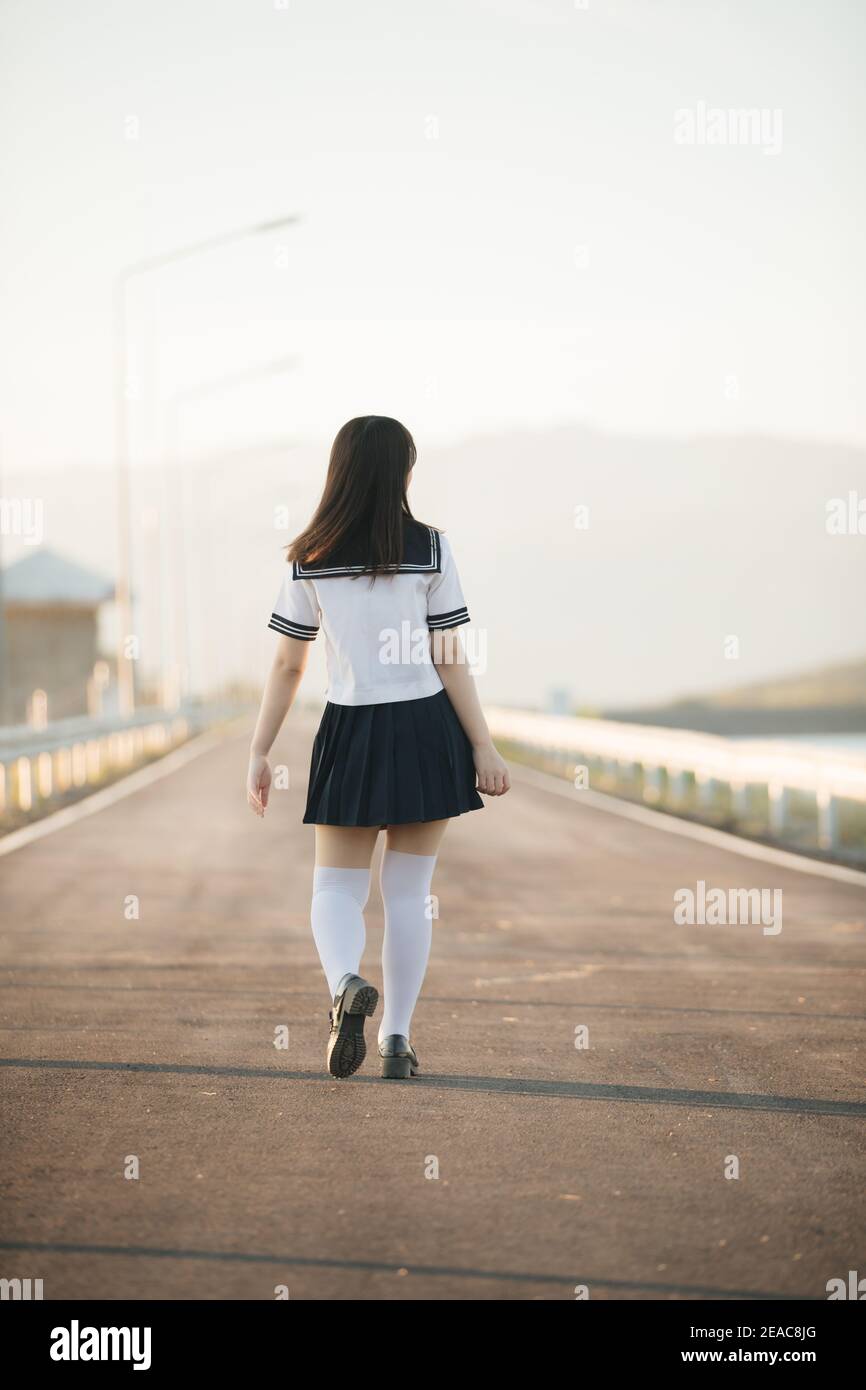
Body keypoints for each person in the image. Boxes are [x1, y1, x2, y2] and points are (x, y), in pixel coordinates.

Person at [247, 416, 510, 1080]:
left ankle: (344, 983)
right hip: (425, 726)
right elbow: (450, 657)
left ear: (338, 471)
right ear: (403, 473)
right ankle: (395, 1039)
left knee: (335, 887)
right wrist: (484, 746)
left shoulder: (309, 555)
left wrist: (259, 750)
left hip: (351, 727)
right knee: (409, 893)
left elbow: (287, 667)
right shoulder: (432, 549)